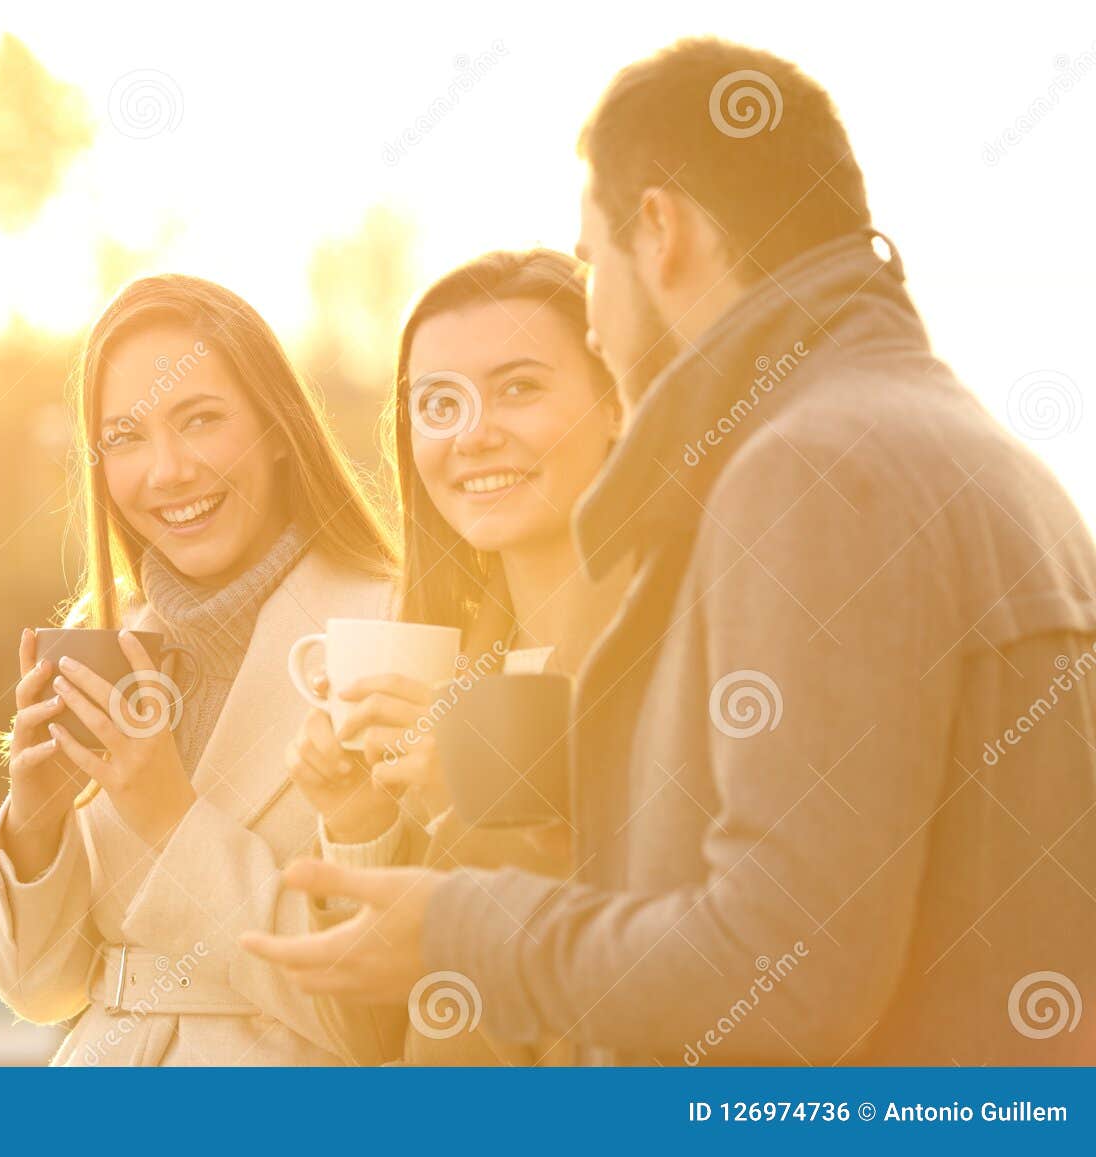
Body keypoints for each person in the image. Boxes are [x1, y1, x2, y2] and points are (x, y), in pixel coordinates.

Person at [243, 37, 1096, 1065]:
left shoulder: (813, 472)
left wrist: (461, 925)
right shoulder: (965, 446)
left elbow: (785, 970)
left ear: (661, 231)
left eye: (592, 264)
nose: (598, 323)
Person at [0, 274, 399, 1065]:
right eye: (125, 437)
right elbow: (39, 990)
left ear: (279, 426)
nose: (167, 471)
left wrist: (172, 819)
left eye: (200, 420)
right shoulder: (104, 642)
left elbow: (375, 1019)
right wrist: (36, 822)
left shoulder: (391, 631)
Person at [282, 249, 630, 1064]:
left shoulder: (681, 650)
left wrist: (475, 802)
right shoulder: (457, 662)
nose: (473, 434)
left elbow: (686, 972)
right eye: (439, 403)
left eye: (519, 388)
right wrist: (360, 823)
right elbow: (377, 1037)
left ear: (616, 402)